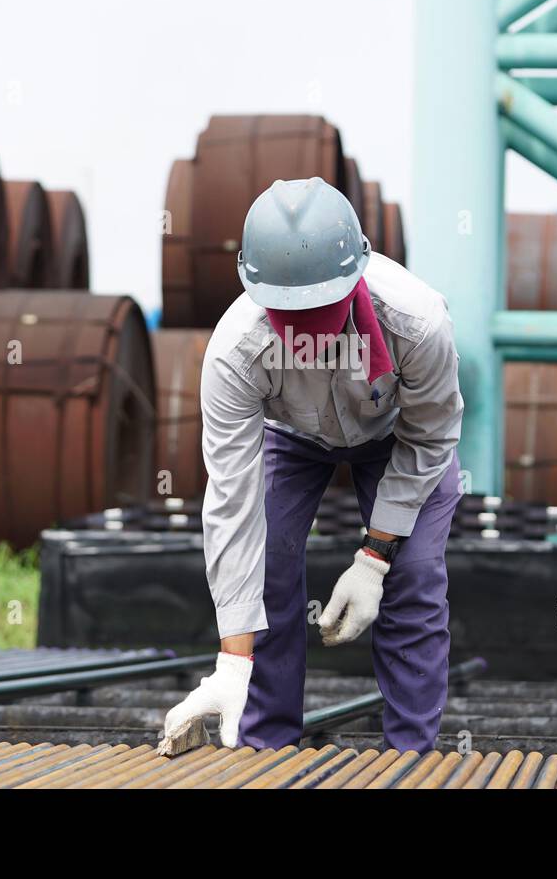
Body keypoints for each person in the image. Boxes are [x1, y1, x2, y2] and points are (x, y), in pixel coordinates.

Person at [162, 176, 464, 752]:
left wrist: (374, 559)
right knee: (270, 563)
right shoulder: (235, 353)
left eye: (320, 309)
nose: (305, 329)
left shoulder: (418, 322)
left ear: (354, 281)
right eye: (287, 312)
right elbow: (232, 503)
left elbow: (431, 436)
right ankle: (263, 747)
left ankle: (412, 758)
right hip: (293, 435)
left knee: (414, 577)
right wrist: (231, 663)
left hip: (399, 438)